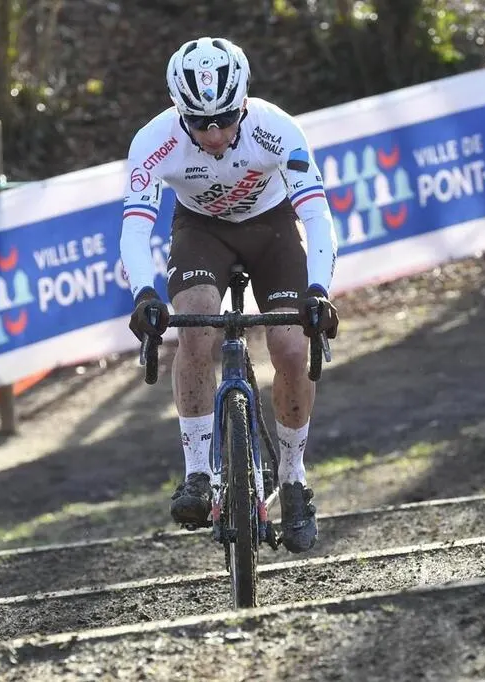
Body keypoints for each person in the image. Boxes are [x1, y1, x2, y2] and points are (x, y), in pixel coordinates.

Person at [117, 36, 339, 554]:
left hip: (272, 229)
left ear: (244, 104)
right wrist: (145, 294)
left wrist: (319, 290)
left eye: (224, 120)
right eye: (199, 123)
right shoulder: (154, 141)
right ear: (179, 112)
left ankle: (293, 478)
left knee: (289, 346)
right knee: (193, 331)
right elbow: (134, 229)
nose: (214, 134)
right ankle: (197, 473)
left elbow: (317, 215)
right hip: (200, 232)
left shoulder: (276, 128)